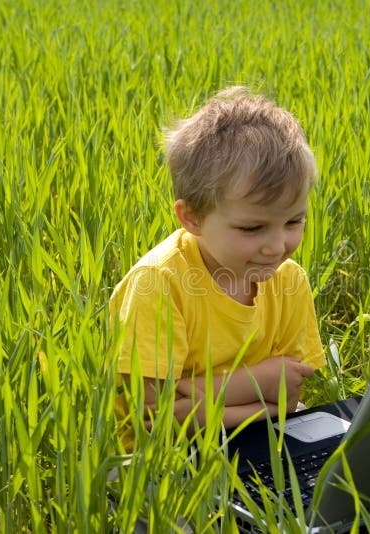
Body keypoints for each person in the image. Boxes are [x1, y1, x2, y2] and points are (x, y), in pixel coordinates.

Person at [110, 87, 325, 444]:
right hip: (160, 463)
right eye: (252, 228)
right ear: (192, 218)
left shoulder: (290, 281)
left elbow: (291, 394)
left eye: (294, 222)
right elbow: (153, 420)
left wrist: (205, 399)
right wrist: (259, 386)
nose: (276, 247)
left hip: (261, 442)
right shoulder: (158, 285)